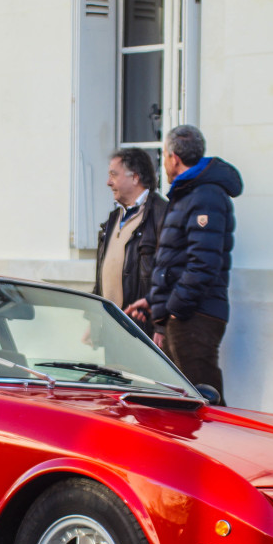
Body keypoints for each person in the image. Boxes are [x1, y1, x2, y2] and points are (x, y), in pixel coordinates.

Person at [133, 124, 242, 399]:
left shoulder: (205, 194)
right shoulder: (188, 192)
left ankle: (222, 445)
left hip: (195, 316)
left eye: (164, 158)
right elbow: (177, 259)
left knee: (205, 404)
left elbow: (203, 265)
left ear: (174, 158)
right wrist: (155, 301)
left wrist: (172, 308)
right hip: (185, 314)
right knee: (183, 404)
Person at [93, 148, 166, 337]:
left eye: (114, 175)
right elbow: (103, 272)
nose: (108, 182)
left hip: (142, 330)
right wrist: (94, 320)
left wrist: (161, 326)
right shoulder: (113, 219)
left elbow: (169, 275)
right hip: (112, 324)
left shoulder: (161, 215)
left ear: (135, 178)